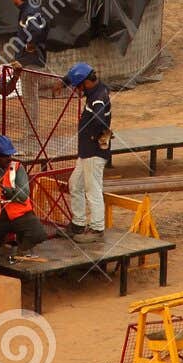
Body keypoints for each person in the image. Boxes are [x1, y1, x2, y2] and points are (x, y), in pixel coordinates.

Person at [0, 134, 50, 254]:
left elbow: (23, 195)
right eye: (4, 156)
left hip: (20, 216)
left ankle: (20, 252)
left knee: (38, 234)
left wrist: (3, 190)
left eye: (10, 155)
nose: (9, 158)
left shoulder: (16, 168)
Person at [65, 62, 112, 239]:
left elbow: (100, 122)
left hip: (93, 153)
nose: (78, 91)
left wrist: (100, 137)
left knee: (93, 189)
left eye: (78, 87)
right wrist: (63, 81)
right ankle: (78, 224)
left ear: (86, 82)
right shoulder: (97, 89)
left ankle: (97, 228)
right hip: (86, 152)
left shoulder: (97, 99)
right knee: (75, 185)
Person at [7, 0, 48, 67]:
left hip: (31, 62)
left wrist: (30, 45)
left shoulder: (30, 11)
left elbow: (36, 30)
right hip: (26, 61)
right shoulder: (27, 9)